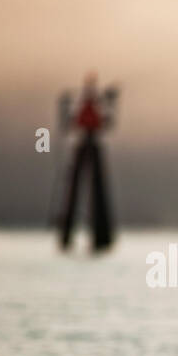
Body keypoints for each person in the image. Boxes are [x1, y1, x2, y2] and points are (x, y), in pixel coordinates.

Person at [56, 72, 117, 251]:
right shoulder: (91, 106)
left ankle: (75, 236)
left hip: (88, 145)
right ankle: (87, 236)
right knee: (89, 189)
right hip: (86, 145)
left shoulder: (92, 106)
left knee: (93, 190)